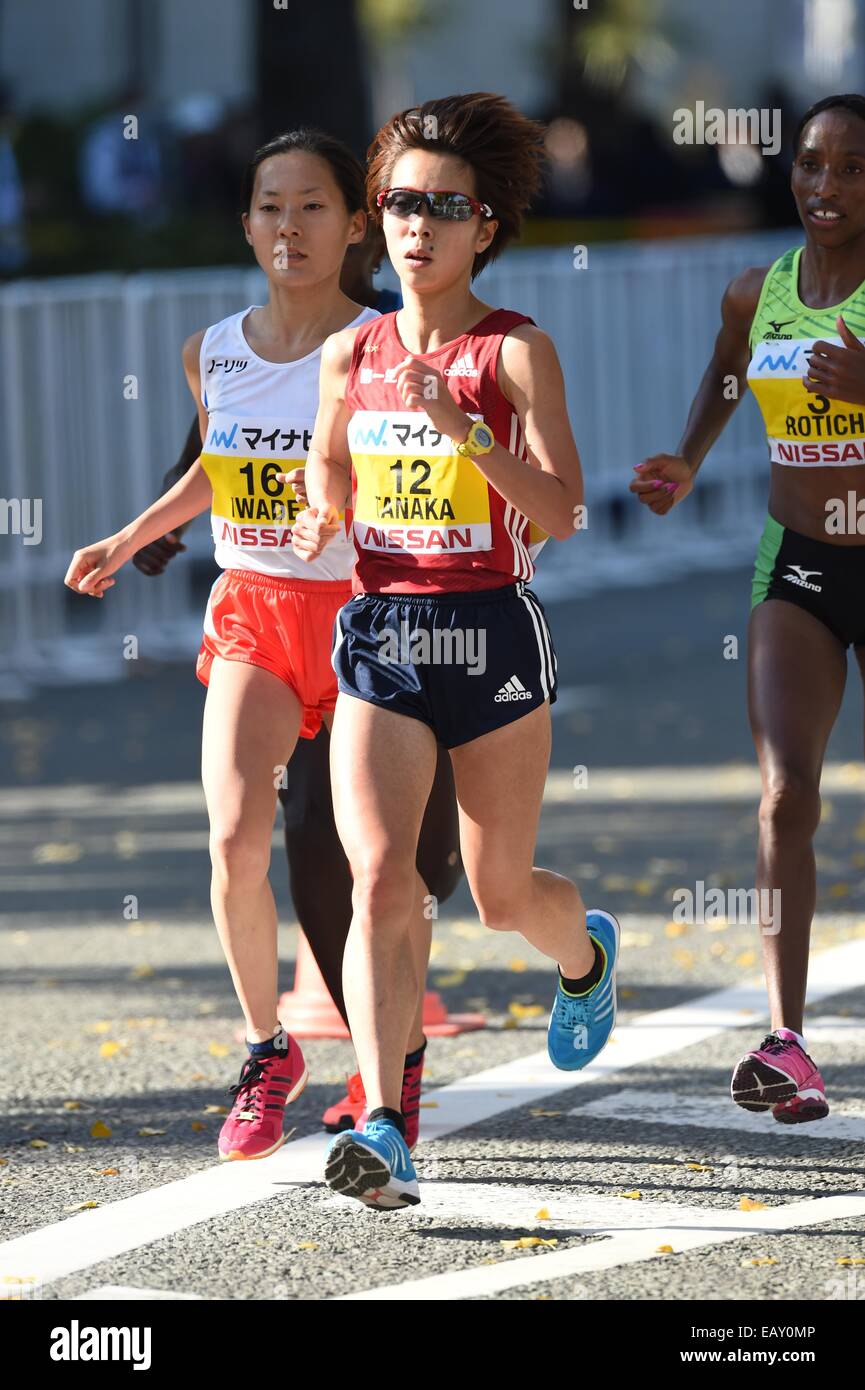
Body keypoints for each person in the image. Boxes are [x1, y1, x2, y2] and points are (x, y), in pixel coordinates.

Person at [63, 129, 445, 1161]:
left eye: (313, 206)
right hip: (255, 613)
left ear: (355, 224)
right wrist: (134, 532)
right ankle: (267, 1048)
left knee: (370, 872)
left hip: (368, 622)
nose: (291, 226)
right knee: (233, 837)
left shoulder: (382, 343)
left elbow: (421, 476)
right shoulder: (213, 348)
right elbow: (220, 465)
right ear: (246, 225)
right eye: (271, 207)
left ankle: (395, 1065)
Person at [293, 92, 620, 1210]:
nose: (416, 225)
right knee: (381, 874)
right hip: (382, 631)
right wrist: (315, 514)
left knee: (491, 890)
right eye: (398, 204)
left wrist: (464, 429)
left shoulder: (514, 351)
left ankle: (581, 958)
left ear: (485, 226)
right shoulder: (351, 352)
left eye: (444, 206)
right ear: (374, 219)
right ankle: (384, 1122)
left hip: (489, 632)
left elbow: (565, 510)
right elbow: (329, 474)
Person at [630, 93, 865, 1125]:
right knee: (782, 798)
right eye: (813, 164)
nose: (826, 186)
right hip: (798, 563)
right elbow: (727, 378)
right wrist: (686, 458)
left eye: (852, 169)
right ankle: (786, 1040)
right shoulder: (754, 292)